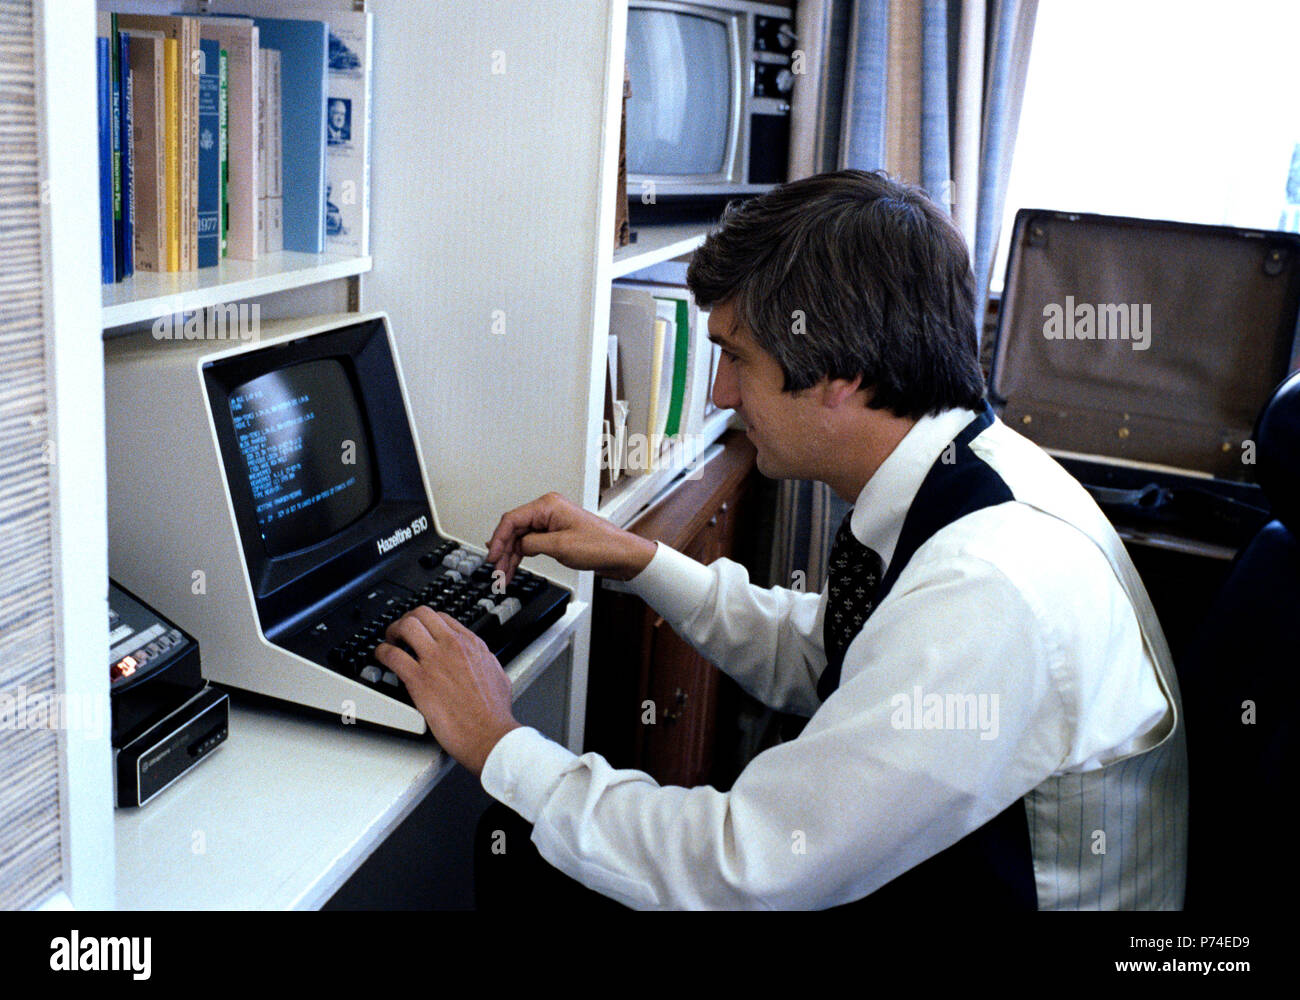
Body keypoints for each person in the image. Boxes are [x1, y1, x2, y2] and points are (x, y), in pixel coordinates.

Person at [375, 169, 1188, 910]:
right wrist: (646, 562)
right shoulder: (969, 464)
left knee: (531, 865)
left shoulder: (990, 589)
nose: (723, 394)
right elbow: (843, 657)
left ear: (842, 377)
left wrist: (498, 742)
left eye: (737, 358)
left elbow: (750, 865)